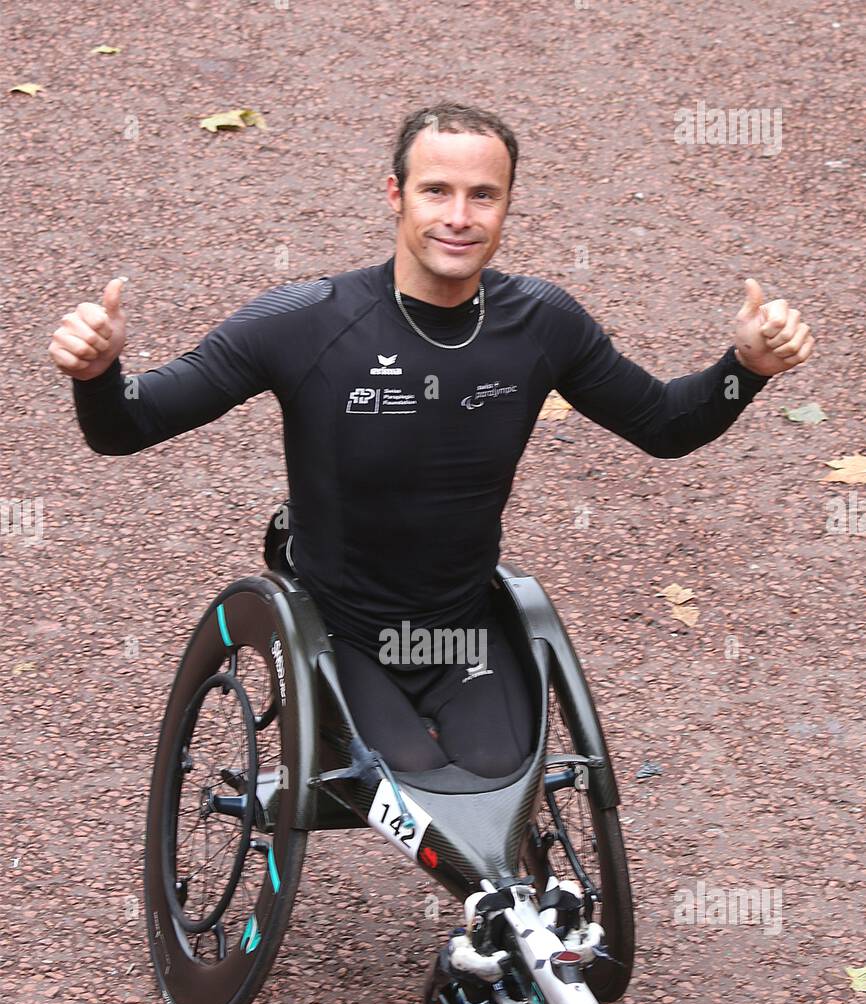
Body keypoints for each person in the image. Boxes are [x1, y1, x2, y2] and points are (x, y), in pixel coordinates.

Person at [49, 103, 814, 779]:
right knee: (411, 775)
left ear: (508, 206)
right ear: (395, 196)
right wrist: (99, 372)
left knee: (494, 775)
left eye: (483, 195)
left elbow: (664, 426)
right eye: (436, 191)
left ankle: (498, 934)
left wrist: (743, 368)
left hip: (457, 631)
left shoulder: (541, 323)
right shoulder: (304, 322)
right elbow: (129, 427)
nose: (460, 216)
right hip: (338, 626)